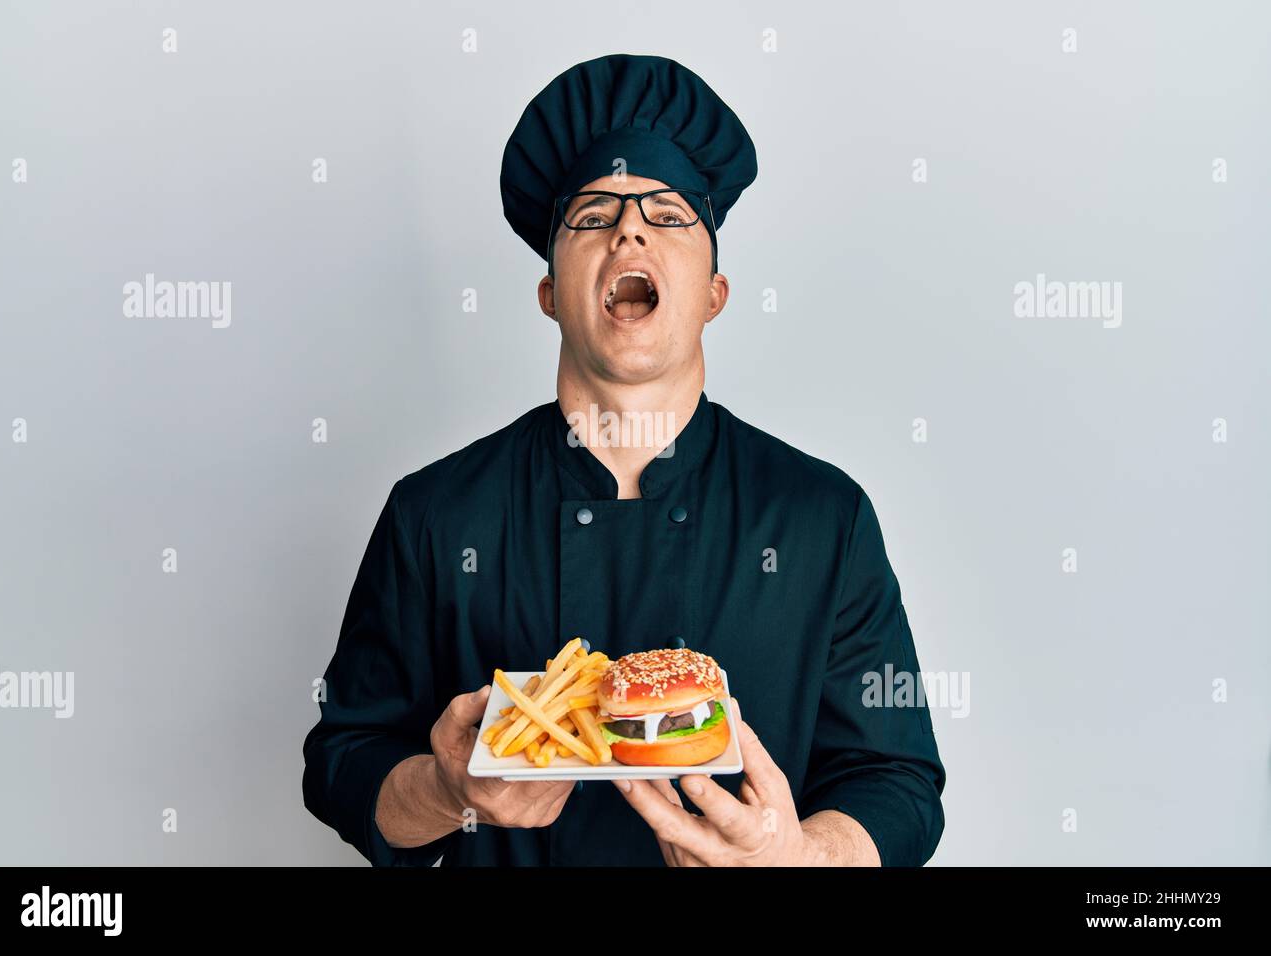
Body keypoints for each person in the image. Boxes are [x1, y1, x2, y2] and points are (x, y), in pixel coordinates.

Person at [302, 53, 946, 866]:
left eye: (669, 215)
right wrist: (444, 788)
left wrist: (800, 858)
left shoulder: (822, 517)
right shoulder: (435, 514)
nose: (629, 228)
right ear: (548, 293)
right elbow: (340, 764)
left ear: (715, 292)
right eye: (593, 213)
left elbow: (900, 784)